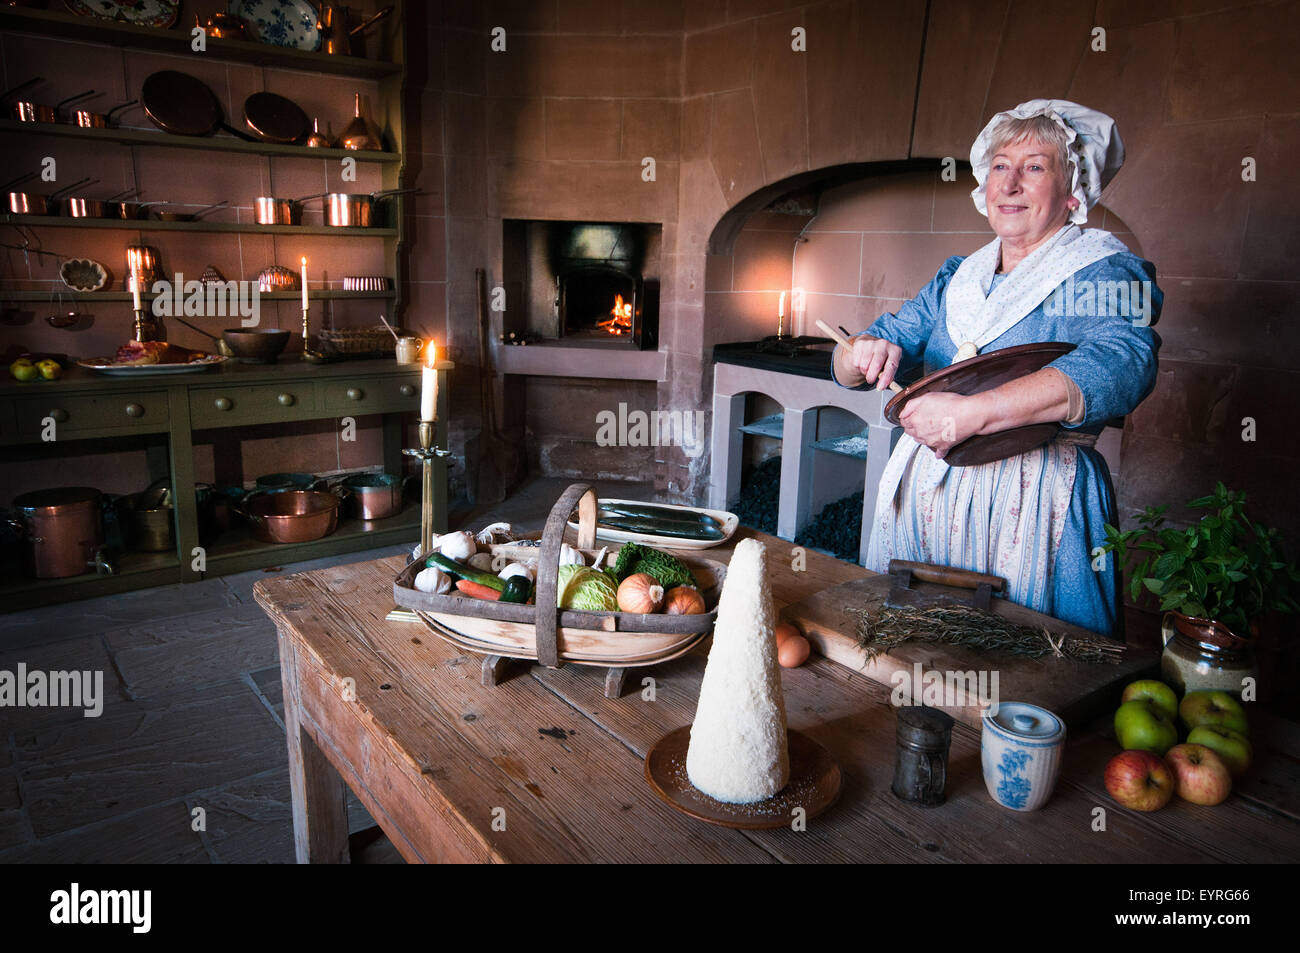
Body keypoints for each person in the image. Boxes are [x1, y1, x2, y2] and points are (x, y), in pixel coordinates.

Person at [832, 100, 1161, 636]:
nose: (1008, 184)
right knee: (917, 652)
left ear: (1073, 189)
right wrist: (858, 352)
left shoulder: (1105, 269)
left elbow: (1123, 364)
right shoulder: (958, 278)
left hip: (1036, 497)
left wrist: (977, 414)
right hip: (930, 491)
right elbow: (862, 353)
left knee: (1033, 667)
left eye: (1034, 167)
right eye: (1000, 166)